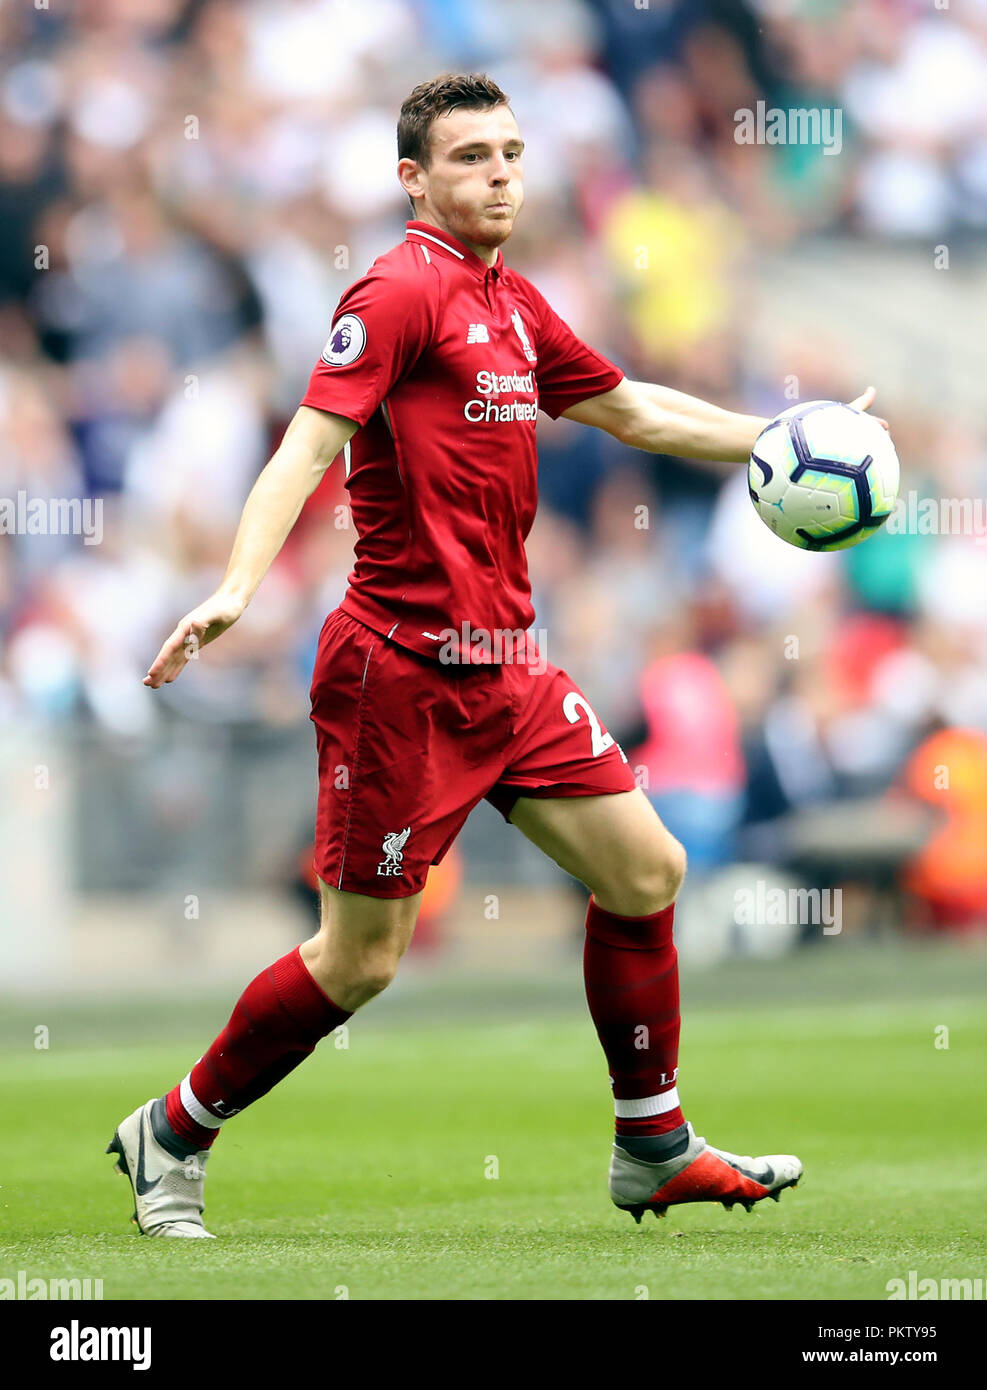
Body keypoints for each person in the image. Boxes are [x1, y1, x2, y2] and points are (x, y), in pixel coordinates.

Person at [108, 73, 882, 1236]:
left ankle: (653, 1144)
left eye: (512, 153)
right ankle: (171, 1130)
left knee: (646, 870)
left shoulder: (513, 302)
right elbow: (307, 448)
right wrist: (234, 587)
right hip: (399, 677)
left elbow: (633, 412)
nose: (503, 174)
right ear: (414, 178)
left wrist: (776, 436)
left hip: (509, 668)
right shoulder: (400, 289)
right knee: (361, 962)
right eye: (472, 157)